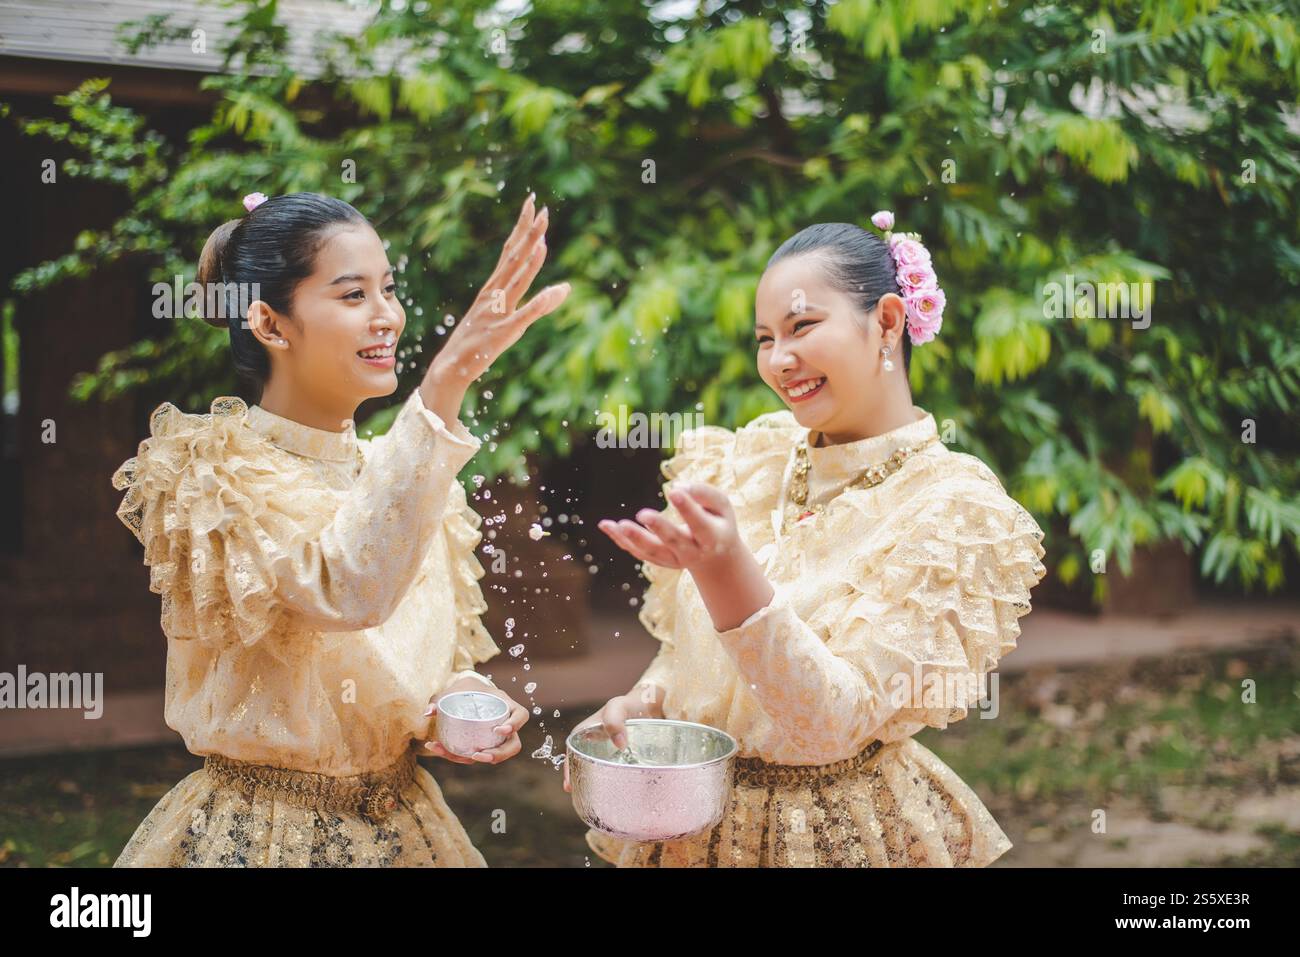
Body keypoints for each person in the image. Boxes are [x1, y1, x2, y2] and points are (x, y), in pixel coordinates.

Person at [571, 213, 1047, 867]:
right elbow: (695, 654)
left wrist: (725, 568)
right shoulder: (752, 455)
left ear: (886, 320)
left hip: (834, 836)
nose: (778, 359)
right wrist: (646, 703)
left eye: (801, 327)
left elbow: (831, 723)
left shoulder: (953, 510)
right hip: (687, 830)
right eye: (765, 338)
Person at [112, 191, 569, 866]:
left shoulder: (403, 468)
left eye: (389, 289)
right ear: (270, 322)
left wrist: (463, 701)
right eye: (353, 295)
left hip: (408, 830)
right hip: (266, 839)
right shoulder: (214, 474)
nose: (387, 315)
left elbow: (417, 660)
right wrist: (442, 384)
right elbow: (347, 587)